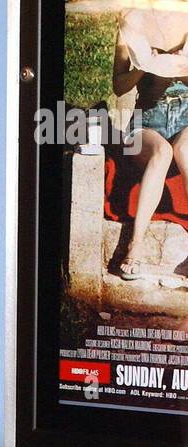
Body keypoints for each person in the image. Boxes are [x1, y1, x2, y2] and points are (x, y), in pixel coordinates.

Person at [114, 2, 188, 278]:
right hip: (147, 119)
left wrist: (178, 65)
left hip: (186, 114)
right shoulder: (132, 21)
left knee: (185, 149)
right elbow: (118, 86)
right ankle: (135, 246)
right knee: (162, 152)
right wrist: (143, 67)